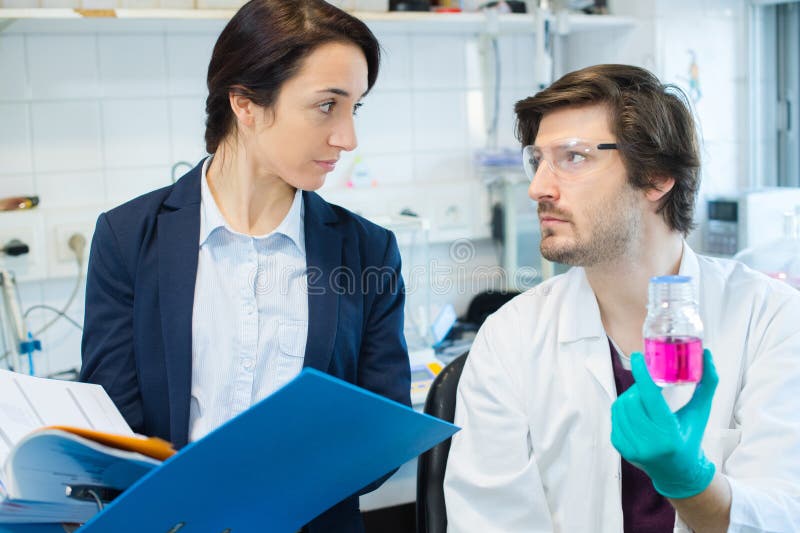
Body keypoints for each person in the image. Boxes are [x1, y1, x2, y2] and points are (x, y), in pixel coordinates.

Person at [79, 1, 410, 531]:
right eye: (328, 105)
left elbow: (380, 436)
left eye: (356, 109)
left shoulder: (369, 252)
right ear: (245, 103)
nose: (348, 137)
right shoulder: (127, 238)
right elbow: (112, 430)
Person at [443, 64, 800, 532]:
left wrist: (689, 485)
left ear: (656, 176)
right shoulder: (510, 338)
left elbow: (784, 513)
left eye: (573, 158)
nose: (538, 188)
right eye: (538, 160)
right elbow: (488, 523)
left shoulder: (771, 319)